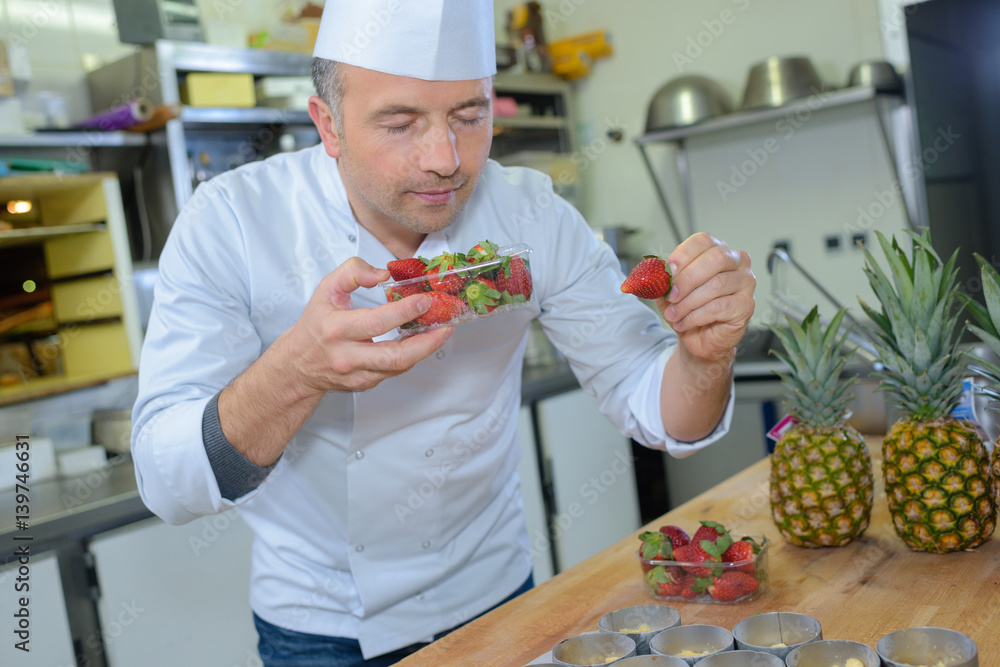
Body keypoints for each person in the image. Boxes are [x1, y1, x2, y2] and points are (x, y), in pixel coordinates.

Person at [130, 1, 755, 665]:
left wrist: (705, 354)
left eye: (470, 115)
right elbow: (167, 480)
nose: (445, 160)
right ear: (328, 125)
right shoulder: (232, 223)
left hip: (501, 594)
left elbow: (657, 408)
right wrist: (298, 370)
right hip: (322, 624)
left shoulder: (532, 213)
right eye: (400, 123)